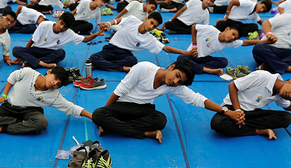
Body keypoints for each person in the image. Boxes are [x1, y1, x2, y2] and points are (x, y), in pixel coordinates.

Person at [91, 59, 243, 143]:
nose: (175, 81)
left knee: (161, 120)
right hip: (122, 107)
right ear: (171, 66)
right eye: (177, 75)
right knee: (98, 114)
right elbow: (120, 90)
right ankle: (145, 133)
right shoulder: (144, 68)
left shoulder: (174, 86)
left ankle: (115, 127)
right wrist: (105, 114)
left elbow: (197, 99)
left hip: (142, 110)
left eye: (180, 81)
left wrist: (226, 111)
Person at [0, 66, 90, 138]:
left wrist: (92, 116)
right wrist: (4, 96)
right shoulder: (28, 73)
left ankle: (0, 128)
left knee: (42, 123)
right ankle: (21, 123)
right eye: (55, 78)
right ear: (49, 72)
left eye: (58, 84)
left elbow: (71, 108)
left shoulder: (53, 96)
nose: (54, 83)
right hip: (8, 107)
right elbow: (12, 77)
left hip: (29, 112)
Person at [210, 72, 291, 138]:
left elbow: (289, 107)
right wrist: (237, 111)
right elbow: (233, 85)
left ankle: (243, 124)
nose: (290, 95)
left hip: (250, 113)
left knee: (287, 118)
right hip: (232, 108)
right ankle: (258, 130)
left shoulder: (281, 95)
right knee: (217, 123)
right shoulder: (263, 77)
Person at [88, 12, 195, 73]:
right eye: (151, 23)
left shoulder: (149, 39)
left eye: (154, 26)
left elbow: (165, 48)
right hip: (111, 48)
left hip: (124, 54)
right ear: (146, 18)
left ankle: (104, 65)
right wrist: (109, 23)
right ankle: (121, 68)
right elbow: (120, 20)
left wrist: (187, 53)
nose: (151, 27)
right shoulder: (133, 20)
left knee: (133, 60)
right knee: (93, 58)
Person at [12, 12, 101, 69]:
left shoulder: (69, 33)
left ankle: (32, 63)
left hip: (50, 53)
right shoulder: (44, 25)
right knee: (16, 50)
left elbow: (84, 39)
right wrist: (22, 55)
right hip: (36, 50)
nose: (61, 28)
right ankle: (43, 64)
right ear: (58, 20)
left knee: (61, 53)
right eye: (61, 23)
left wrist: (96, 34)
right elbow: (32, 40)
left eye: (65, 27)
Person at [178, 22, 265, 76]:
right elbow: (194, 27)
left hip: (203, 58)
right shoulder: (211, 30)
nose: (232, 38)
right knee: (181, 58)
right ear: (227, 29)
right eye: (233, 34)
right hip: (191, 55)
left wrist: (264, 42)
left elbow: (245, 43)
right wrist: (194, 46)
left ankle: (195, 67)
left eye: (235, 38)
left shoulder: (229, 42)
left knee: (223, 62)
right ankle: (208, 70)